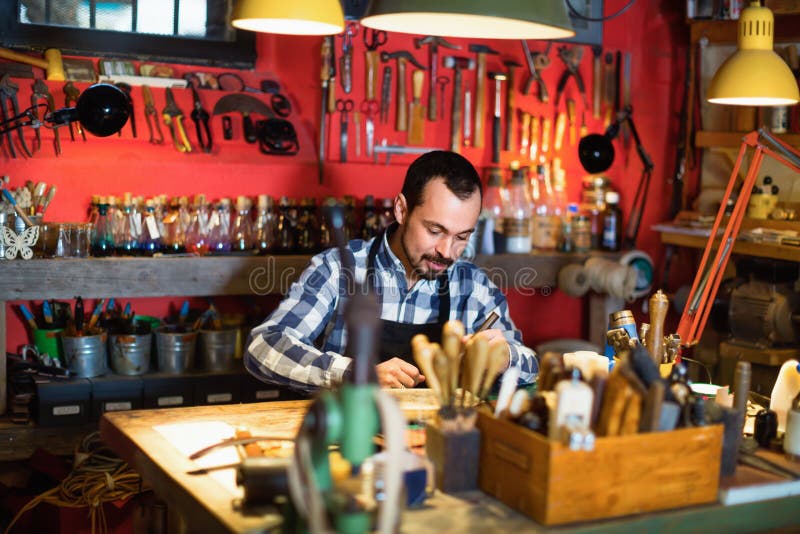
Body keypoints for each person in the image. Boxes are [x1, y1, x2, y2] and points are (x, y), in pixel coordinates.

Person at [245, 151, 538, 392]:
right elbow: (264, 347)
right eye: (435, 230)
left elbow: (530, 363)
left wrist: (504, 357)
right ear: (401, 209)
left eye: (462, 237)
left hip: (431, 443)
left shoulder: (473, 286)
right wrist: (352, 373)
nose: (447, 252)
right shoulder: (338, 269)